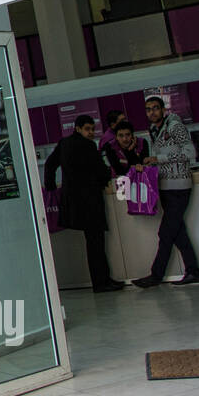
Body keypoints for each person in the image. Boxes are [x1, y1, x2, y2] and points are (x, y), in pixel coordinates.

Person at [44, 115, 122, 292]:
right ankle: (101, 282)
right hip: (90, 200)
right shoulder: (88, 146)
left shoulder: (64, 144)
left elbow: (49, 165)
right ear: (78, 128)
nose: (91, 133)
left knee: (92, 242)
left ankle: (101, 280)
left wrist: (50, 187)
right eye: (88, 129)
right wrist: (105, 179)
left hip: (73, 202)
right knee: (96, 242)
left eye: (92, 129)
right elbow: (100, 170)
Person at [133, 97, 199, 288]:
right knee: (177, 232)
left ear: (163, 109)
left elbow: (190, 152)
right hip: (165, 187)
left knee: (165, 232)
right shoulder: (155, 130)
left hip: (179, 187)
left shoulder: (174, 126)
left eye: (156, 108)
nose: (152, 112)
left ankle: (156, 275)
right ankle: (193, 271)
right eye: (148, 109)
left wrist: (159, 158)